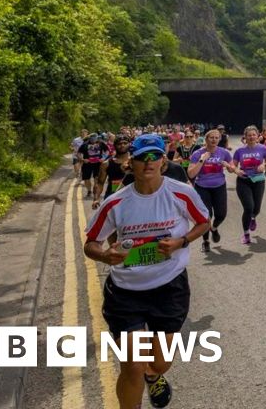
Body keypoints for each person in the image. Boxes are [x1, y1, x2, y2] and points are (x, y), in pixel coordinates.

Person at [83, 133, 211, 409]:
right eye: (142, 158)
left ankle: (154, 376)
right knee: (132, 366)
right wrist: (106, 255)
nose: (148, 163)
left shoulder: (181, 193)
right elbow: (90, 243)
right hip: (126, 293)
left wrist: (181, 241)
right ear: (132, 163)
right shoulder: (116, 202)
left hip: (169, 287)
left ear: (163, 161)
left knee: (161, 362)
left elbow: (204, 222)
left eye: (155, 156)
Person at [188, 129, 235, 253]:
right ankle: (206, 241)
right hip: (202, 187)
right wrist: (202, 160)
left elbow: (232, 169)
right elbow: (191, 174)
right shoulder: (198, 154)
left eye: (216, 138)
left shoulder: (224, 152)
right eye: (211, 137)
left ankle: (214, 228)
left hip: (219, 186)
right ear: (206, 139)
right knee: (206, 216)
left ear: (219, 139)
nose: (214, 140)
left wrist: (229, 166)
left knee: (221, 214)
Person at [233, 125, 266, 245]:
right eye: (249, 135)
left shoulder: (263, 148)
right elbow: (233, 165)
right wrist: (236, 170)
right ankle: (246, 234)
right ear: (245, 137)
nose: (251, 137)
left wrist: (265, 165)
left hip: (258, 180)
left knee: (257, 208)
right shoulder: (239, 151)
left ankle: (253, 218)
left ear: (258, 136)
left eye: (253, 135)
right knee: (249, 207)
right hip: (244, 180)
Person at [93, 136, 131, 209]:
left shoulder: (136, 161)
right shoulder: (106, 164)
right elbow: (100, 183)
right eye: (119, 144)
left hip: (131, 198)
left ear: (129, 144)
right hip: (112, 198)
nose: (122, 145)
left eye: (125, 143)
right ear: (114, 146)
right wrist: (96, 199)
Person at [78, 133, 108, 198]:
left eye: (95, 138)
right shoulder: (85, 144)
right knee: (86, 179)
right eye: (92, 138)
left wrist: (103, 158)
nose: (93, 140)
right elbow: (79, 153)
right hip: (87, 164)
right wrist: (83, 159)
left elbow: (107, 151)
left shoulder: (101, 143)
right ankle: (89, 191)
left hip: (98, 164)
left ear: (97, 138)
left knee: (96, 177)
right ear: (89, 138)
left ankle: (95, 189)